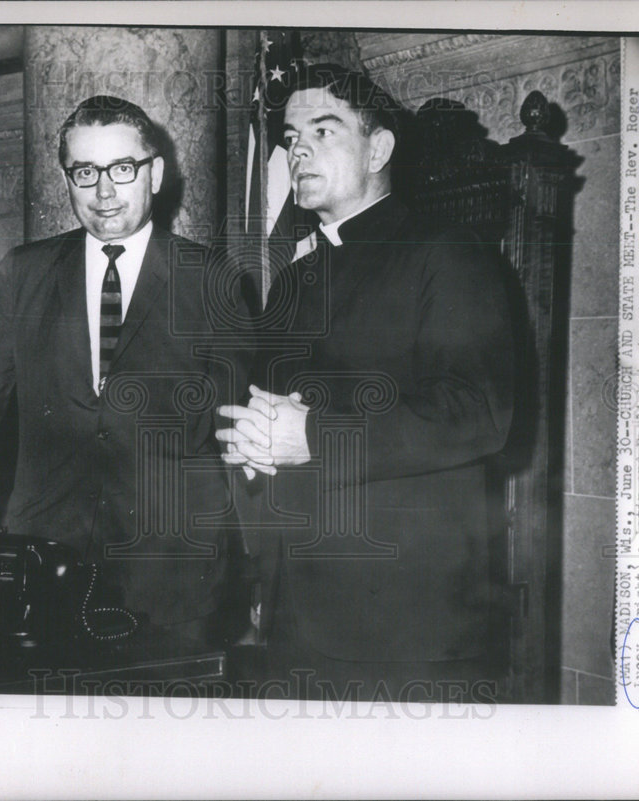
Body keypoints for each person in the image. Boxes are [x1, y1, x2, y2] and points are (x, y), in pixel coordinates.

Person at [0, 96, 246, 646]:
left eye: (122, 169)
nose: (104, 191)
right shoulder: (24, 273)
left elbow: (242, 431)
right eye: (86, 172)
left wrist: (265, 575)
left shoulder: (211, 280)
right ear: (67, 178)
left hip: (174, 572)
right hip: (45, 564)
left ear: (154, 173)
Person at [218, 65, 515, 702]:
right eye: (292, 137)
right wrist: (247, 445)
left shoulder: (447, 251)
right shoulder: (297, 279)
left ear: (378, 149)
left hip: (409, 624)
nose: (298, 150)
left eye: (324, 132)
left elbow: (478, 411)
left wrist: (310, 438)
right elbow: (268, 412)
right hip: (298, 608)